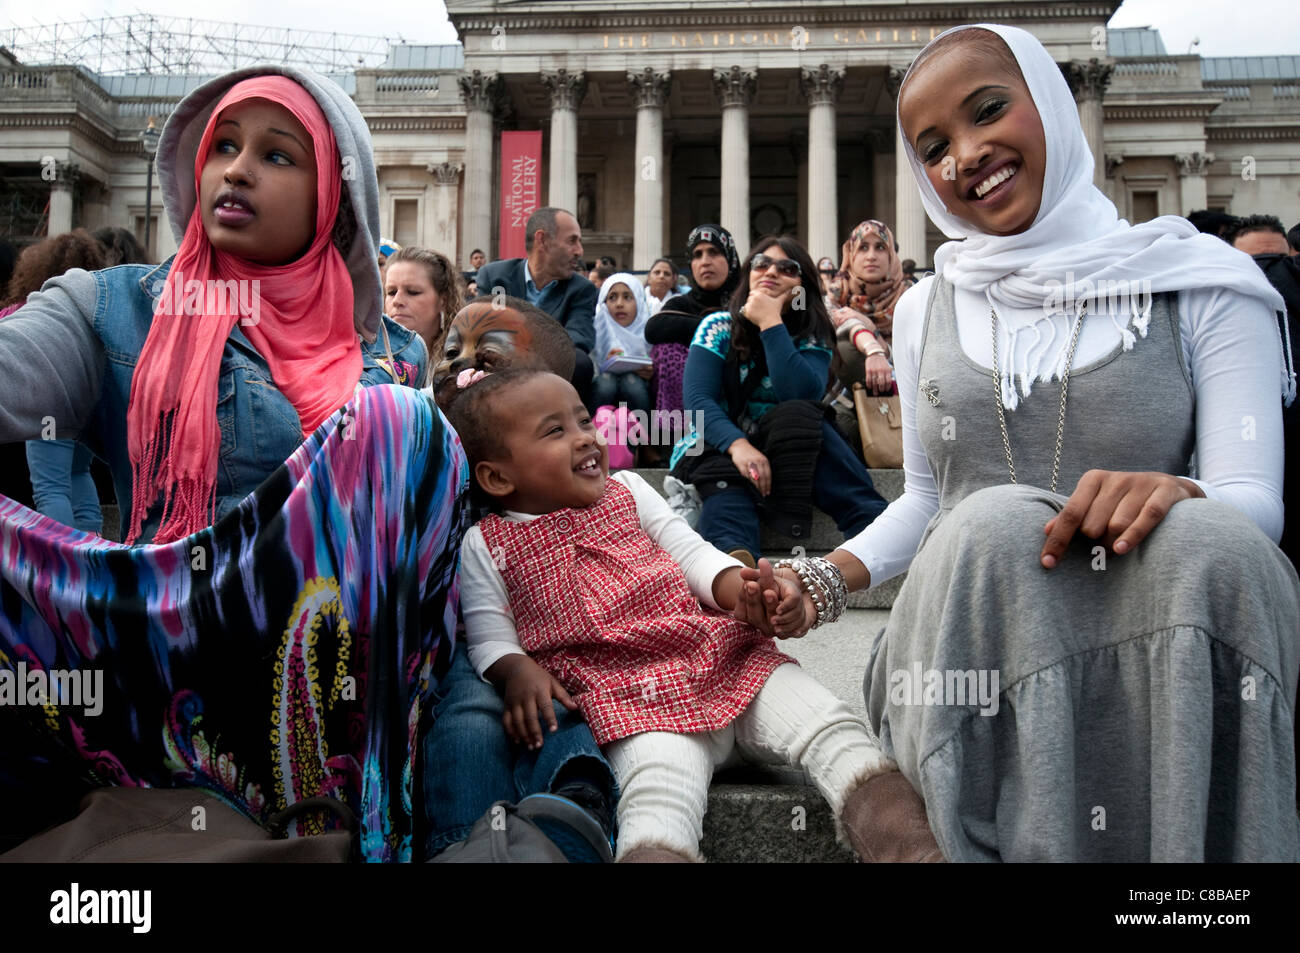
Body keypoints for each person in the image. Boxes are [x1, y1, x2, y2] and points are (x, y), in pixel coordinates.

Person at [747, 23, 1300, 862]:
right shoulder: (932, 304)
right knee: (990, 519)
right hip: (970, 635)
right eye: (933, 146)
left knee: (1211, 537)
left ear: (1051, 101)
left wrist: (1181, 492)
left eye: (988, 111)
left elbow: (1254, 503)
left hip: (1148, 625)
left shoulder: (1206, 286)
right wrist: (820, 578)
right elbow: (930, 501)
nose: (963, 156)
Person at [0, 68, 458, 862]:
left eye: (278, 155)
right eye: (222, 147)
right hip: (157, 654)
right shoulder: (112, 306)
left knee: (397, 420)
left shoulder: (394, 355)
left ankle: (369, 803)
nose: (237, 169)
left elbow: (426, 551)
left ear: (333, 197)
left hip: (337, 680)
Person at [447, 368, 941, 862]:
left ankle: (914, 851)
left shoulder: (631, 491)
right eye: (555, 431)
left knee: (834, 731)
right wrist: (516, 669)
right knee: (655, 805)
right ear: (496, 476)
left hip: (729, 663)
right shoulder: (487, 545)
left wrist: (743, 592)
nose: (584, 440)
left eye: (583, 421)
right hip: (631, 704)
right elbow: (490, 637)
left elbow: (696, 557)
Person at [421, 296, 619, 862]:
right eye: (451, 349)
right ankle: (463, 842)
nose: (463, 364)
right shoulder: (427, 435)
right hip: (459, 636)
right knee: (469, 710)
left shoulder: (568, 484)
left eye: (489, 355)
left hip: (552, 637)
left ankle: (573, 814)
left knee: (559, 709)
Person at [672, 235, 890, 567]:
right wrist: (739, 446)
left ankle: (874, 527)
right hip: (720, 447)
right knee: (723, 481)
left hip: (790, 448)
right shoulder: (717, 327)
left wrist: (770, 322)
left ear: (802, 285)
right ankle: (735, 567)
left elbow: (801, 395)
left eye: (787, 268)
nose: (771, 272)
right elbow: (699, 400)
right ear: (748, 274)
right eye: (761, 264)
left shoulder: (812, 333)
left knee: (804, 418)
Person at [1, 230, 108, 535]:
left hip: (47, 401)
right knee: (78, 473)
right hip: (87, 399)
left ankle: (65, 567)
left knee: (50, 488)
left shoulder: (30, 311)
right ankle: (92, 551)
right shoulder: (94, 311)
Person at [473, 206, 598, 401]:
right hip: (498, 376)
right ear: (543, 240)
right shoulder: (495, 278)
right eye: (572, 241)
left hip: (553, 382)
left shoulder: (581, 289)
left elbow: (579, 338)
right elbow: (481, 330)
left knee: (580, 362)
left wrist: (527, 357)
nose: (579, 251)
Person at [644, 225, 744, 424]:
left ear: (730, 259)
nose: (705, 262)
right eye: (697, 255)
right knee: (666, 350)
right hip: (692, 403)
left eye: (714, 252)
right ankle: (674, 434)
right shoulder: (683, 303)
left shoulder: (747, 301)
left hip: (743, 396)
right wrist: (716, 328)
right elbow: (654, 328)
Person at [827, 219, 916, 396]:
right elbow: (836, 330)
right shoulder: (836, 295)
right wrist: (871, 345)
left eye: (880, 247)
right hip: (844, 397)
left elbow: (919, 360)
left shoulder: (911, 297)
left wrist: (871, 327)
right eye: (863, 247)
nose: (871, 256)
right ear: (851, 254)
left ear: (891, 254)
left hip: (906, 395)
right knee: (846, 347)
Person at [384, 245, 464, 385]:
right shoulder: (365, 359)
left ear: (443, 301)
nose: (397, 301)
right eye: (391, 292)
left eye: (413, 292)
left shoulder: (464, 362)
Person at [590, 271, 654, 417]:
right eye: (612, 298)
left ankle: (641, 437)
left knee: (633, 385)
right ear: (603, 304)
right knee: (606, 384)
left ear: (639, 301)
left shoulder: (650, 331)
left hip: (639, 385)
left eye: (627, 297)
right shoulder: (595, 329)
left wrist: (651, 373)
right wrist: (603, 365)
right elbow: (588, 364)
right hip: (603, 384)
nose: (619, 304)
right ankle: (595, 434)